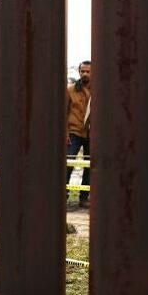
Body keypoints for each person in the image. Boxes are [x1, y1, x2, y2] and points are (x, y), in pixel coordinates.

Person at [65, 62, 92, 208]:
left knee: (89, 166)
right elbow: (63, 112)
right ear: (79, 72)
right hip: (73, 132)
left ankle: (84, 198)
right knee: (68, 164)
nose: (85, 74)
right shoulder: (70, 90)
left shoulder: (98, 90)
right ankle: (64, 195)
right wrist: (65, 133)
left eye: (88, 71)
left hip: (91, 133)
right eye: (82, 71)